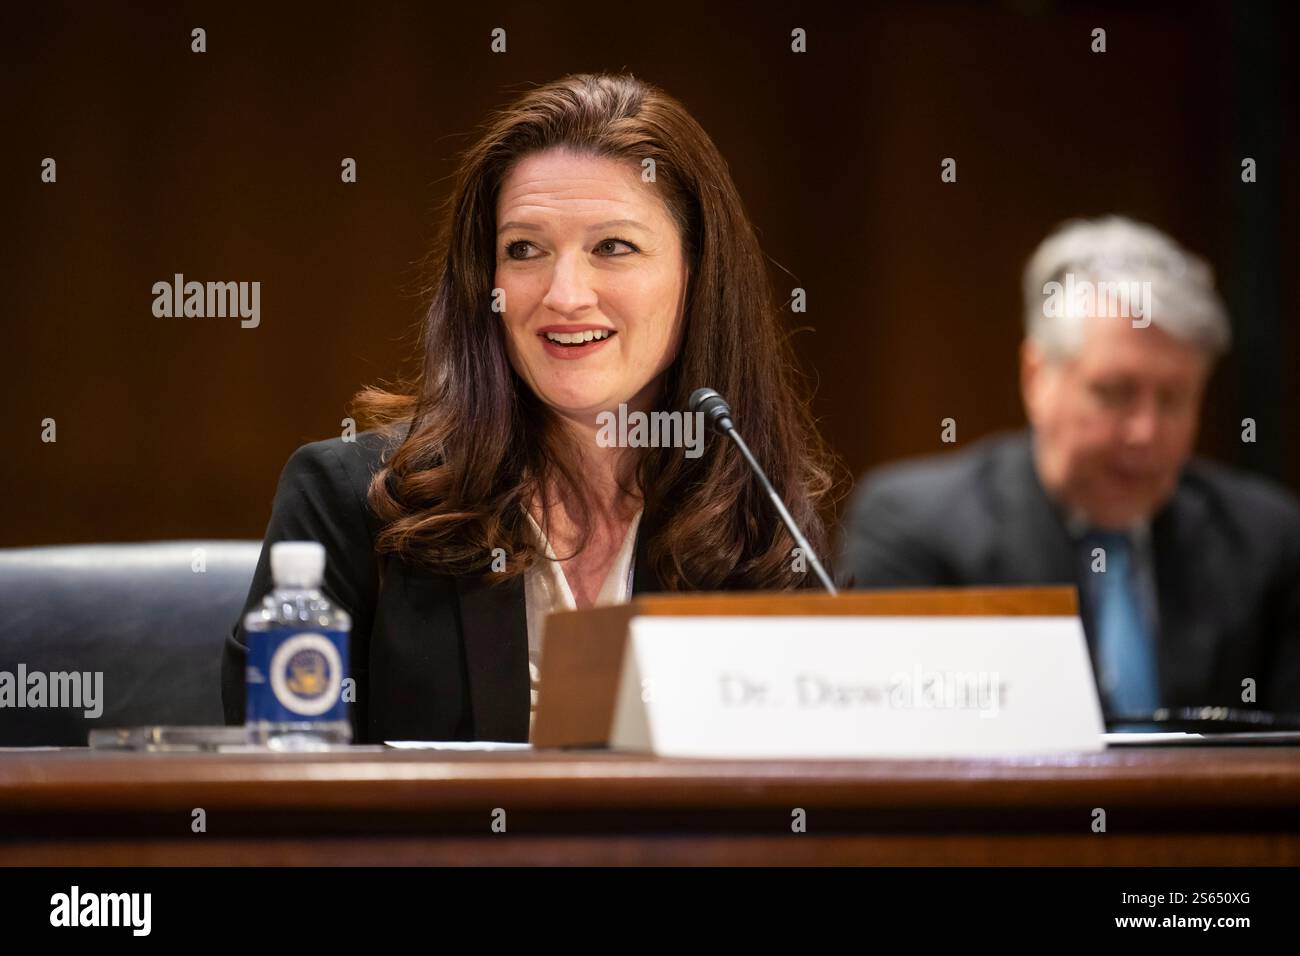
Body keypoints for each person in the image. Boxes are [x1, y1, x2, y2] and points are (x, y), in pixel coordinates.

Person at [222, 73, 834, 744]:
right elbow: (283, 794)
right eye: (525, 250)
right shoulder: (352, 501)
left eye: (613, 247)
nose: (565, 294)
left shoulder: (754, 517)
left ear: (698, 273)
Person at [840, 216, 1300, 720]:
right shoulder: (917, 529)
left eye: (1173, 400)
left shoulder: (1266, 540)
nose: (1145, 431)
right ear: (1036, 377)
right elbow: (899, 742)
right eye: (1114, 393)